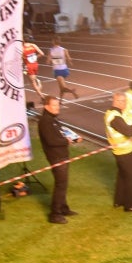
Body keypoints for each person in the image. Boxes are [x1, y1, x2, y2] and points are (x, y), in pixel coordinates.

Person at [105, 92, 132, 212]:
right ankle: (129, 205)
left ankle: (118, 201)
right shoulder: (115, 117)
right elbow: (127, 131)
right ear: (117, 101)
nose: (125, 103)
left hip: (120, 151)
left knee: (122, 176)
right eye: (123, 101)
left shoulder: (113, 113)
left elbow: (127, 126)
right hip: (125, 151)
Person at [39, 95, 79, 224]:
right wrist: (66, 141)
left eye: (58, 105)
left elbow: (61, 133)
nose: (57, 108)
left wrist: (73, 138)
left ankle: (63, 208)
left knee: (63, 184)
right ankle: (55, 214)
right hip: (56, 156)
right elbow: (51, 140)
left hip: (61, 155)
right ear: (46, 106)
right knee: (60, 185)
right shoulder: (46, 121)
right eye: (54, 105)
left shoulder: (52, 119)